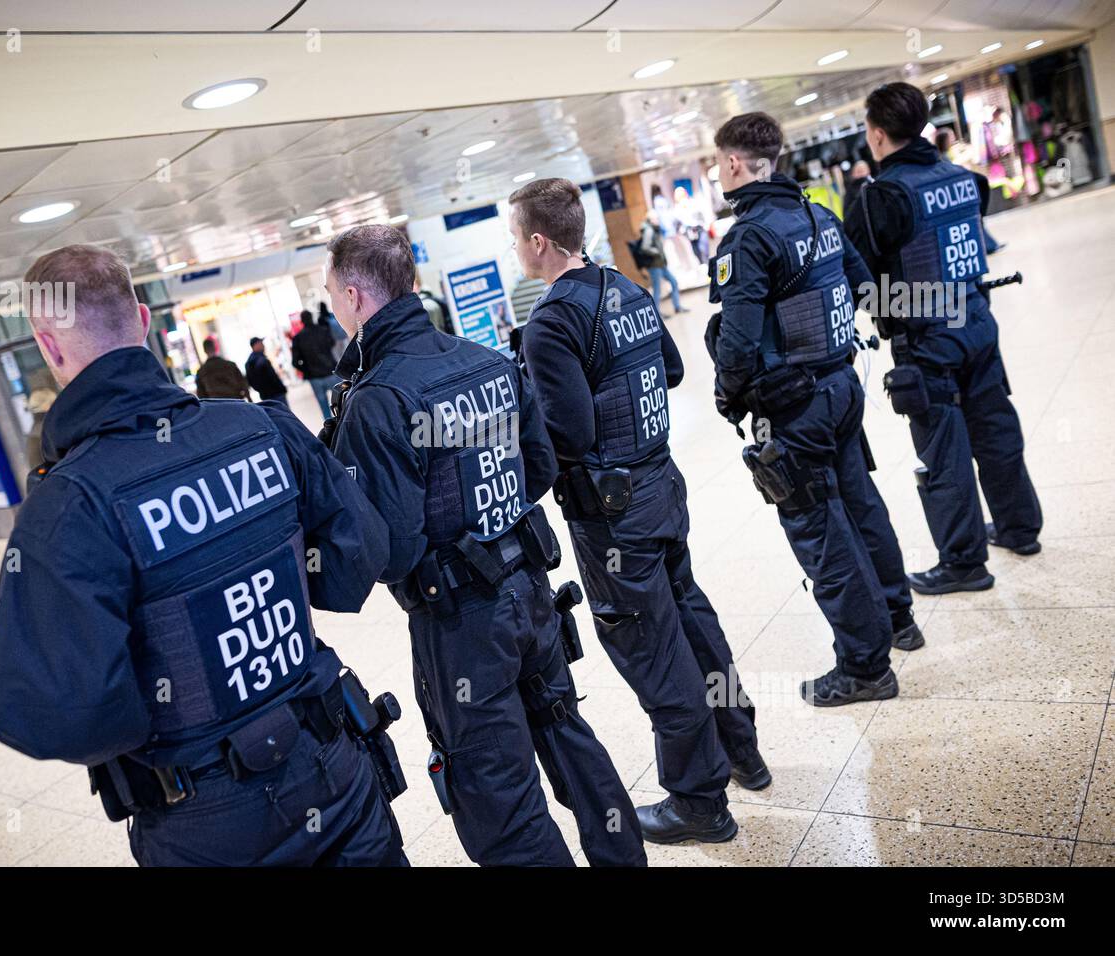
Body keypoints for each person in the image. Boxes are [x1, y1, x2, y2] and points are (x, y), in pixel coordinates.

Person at [0, 244, 406, 867]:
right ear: (143, 320)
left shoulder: (69, 503)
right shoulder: (263, 429)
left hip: (205, 820)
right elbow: (359, 555)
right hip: (332, 765)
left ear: (48, 348)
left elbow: (53, 711)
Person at [321, 224, 646, 867]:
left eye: (330, 290)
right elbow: (542, 465)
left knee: (496, 791)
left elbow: (396, 549)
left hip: (460, 622)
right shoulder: (489, 360)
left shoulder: (379, 399)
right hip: (530, 590)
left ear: (356, 296)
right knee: (567, 733)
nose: (330, 303)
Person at [511, 178, 766, 844]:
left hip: (611, 516)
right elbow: (672, 371)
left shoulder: (550, 321)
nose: (517, 248)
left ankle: (698, 800)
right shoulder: (628, 290)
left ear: (538, 242)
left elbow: (568, 433)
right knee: (690, 619)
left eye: (517, 237)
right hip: (660, 485)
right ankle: (742, 747)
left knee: (652, 647)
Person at [707, 112, 922, 707]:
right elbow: (860, 285)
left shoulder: (747, 237)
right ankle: (898, 618)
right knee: (860, 503)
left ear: (731, 164)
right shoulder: (816, 212)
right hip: (841, 386)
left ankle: (864, 666)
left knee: (819, 530)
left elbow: (739, 341)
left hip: (795, 408)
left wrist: (729, 393)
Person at [844, 83, 1042, 592]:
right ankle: (1020, 528)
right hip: (977, 320)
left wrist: (883, 315)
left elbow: (859, 276)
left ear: (878, 133)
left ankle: (963, 563)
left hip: (928, 337)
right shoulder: (963, 178)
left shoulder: (881, 196)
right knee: (996, 429)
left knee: (944, 450)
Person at [934, 128, 1004, 254]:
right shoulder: (943, 159)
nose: (953, 139)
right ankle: (989, 246)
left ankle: (989, 245)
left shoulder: (943, 157)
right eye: (950, 137)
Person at [291, 309, 341, 418]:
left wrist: (307, 370)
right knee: (341, 403)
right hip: (330, 371)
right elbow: (331, 343)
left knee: (324, 407)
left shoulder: (298, 338)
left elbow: (295, 362)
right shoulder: (323, 330)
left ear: (302, 321)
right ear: (311, 318)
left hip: (314, 377)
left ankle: (331, 430)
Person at [639, 211, 686, 316]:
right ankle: (656, 314)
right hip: (654, 265)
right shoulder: (649, 231)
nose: (657, 220)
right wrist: (657, 252)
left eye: (657, 218)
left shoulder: (655, 229)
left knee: (673, 282)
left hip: (661, 264)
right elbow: (645, 247)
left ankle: (677, 307)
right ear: (650, 220)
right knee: (657, 289)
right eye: (655, 219)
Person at [193, 336, 249, 400]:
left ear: (205, 351)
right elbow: (243, 384)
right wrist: (249, 400)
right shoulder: (230, 365)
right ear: (215, 348)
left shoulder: (201, 372)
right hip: (236, 401)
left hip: (217, 406)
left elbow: (201, 396)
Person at [244, 336, 288, 401]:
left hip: (265, 395)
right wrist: (281, 388)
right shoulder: (261, 360)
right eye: (261, 343)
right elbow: (272, 376)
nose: (263, 346)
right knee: (283, 411)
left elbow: (250, 382)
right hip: (275, 393)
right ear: (256, 345)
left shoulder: (249, 362)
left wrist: (261, 390)